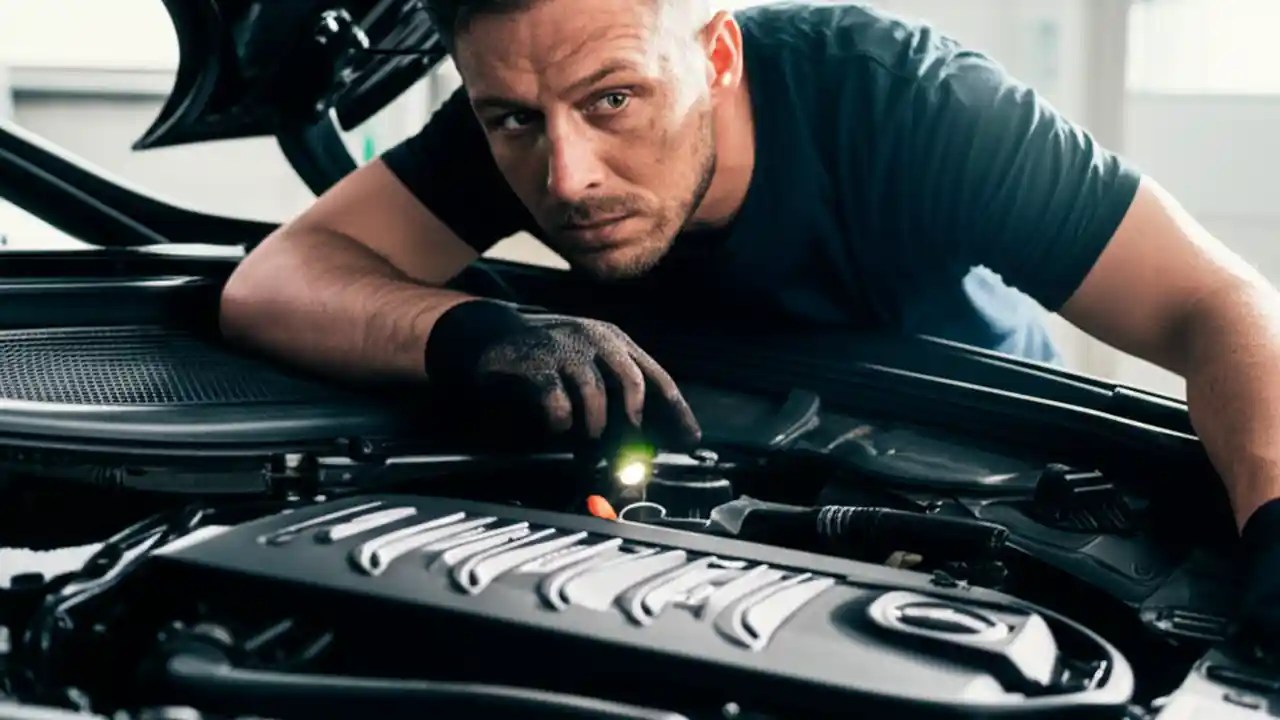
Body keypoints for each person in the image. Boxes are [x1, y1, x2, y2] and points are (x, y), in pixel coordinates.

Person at [219, 0, 1280, 650]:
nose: (566, 176)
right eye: (514, 120)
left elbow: (1215, 302)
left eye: (614, 102)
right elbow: (277, 279)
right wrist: (470, 331)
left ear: (718, 55)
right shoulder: (526, 109)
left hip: (989, 497)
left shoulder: (907, 104)